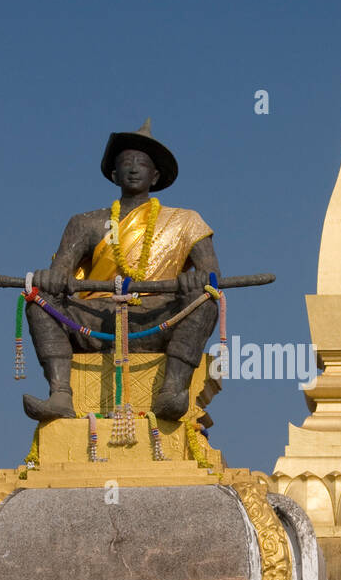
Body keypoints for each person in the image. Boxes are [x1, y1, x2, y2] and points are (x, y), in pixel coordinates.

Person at [23, 122, 220, 422]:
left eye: (142, 163)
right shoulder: (86, 223)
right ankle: (60, 393)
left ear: (155, 176)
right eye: (126, 163)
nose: (133, 169)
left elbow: (212, 276)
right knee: (40, 300)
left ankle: (173, 389)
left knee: (205, 300)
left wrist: (197, 280)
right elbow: (60, 272)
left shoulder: (186, 221)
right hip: (97, 318)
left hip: (158, 318)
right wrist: (50, 279)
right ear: (114, 174)